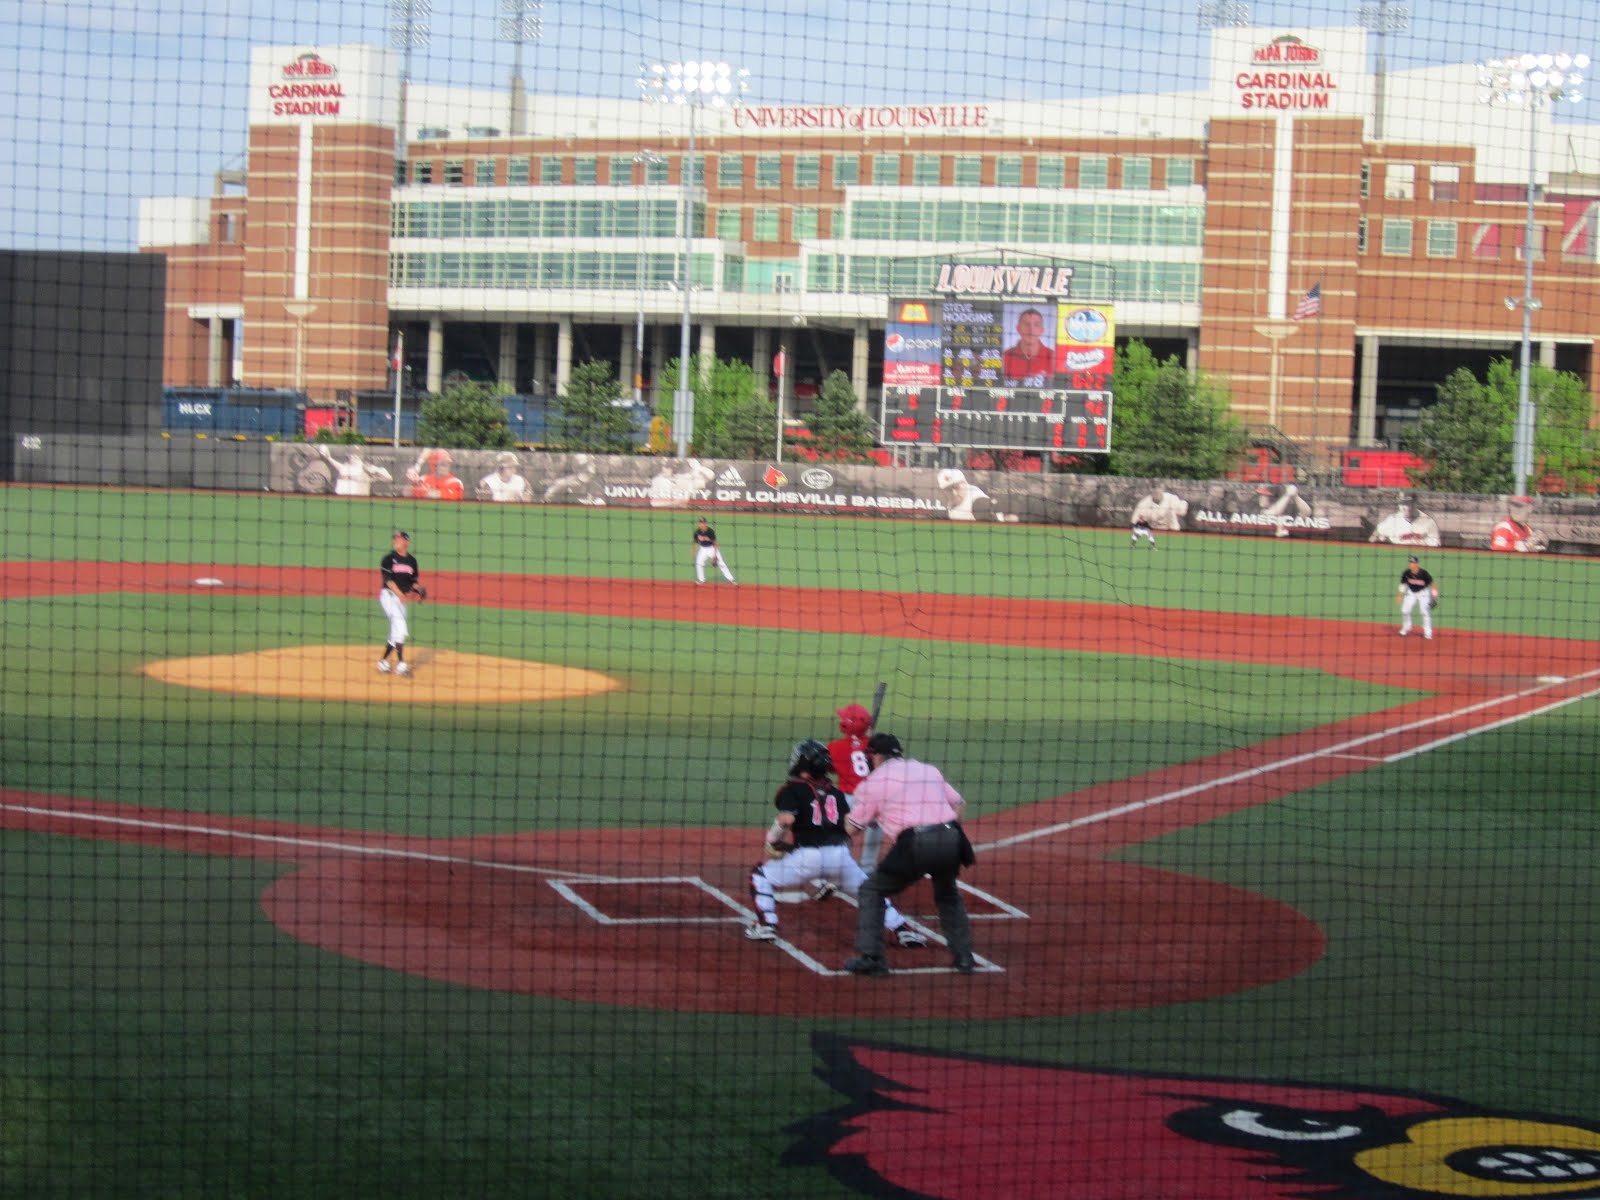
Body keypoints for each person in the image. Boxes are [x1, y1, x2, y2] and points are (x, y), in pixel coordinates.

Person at [744, 740, 926, 949]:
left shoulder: (792, 789)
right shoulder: (837, 793)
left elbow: (786, 820)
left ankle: (767, 924)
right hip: (840, 857)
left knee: (760, 876)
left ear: (803, 763)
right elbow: (846, 826)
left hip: (806, 860)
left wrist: (773, 840)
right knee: (869, 892)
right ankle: (902, 930)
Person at [844, 732, 976, 976]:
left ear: (874, 756)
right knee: (947, 894)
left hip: (915, 842)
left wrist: (840, 821)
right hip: (952, 837)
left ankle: (872, 958)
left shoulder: (872, 784)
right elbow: (959, 804)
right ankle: (965, 957)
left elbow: (852, 829)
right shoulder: (927, 770)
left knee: (871, 889)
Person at [829, 703, 880, 874]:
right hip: (873, 799)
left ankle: (840, 866)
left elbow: (829, 769)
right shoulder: (875, 746)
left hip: (848, 800)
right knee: (876, 826)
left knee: (842, 832)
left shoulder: (834, 747)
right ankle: (868, 865)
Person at [377, 530, 422, 675]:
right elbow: (388, 581)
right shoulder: (388, 559)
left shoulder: (412, 561)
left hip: (401, 599)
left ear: (406, 542)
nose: (396, 540)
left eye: (399, 538)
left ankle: (383, 662)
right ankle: (401, 665)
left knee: (396, 633)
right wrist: (400, 594)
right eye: (395, 538)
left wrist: (418, 589)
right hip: (389, 596)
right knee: (401, 626)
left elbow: (413, 582)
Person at [1001, 307, 1054, 384]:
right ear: (1018, 328)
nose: (1031, 329)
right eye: (1026, 324)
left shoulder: (1052, 357)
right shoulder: (1005, 357)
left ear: (1042, 330)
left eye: (1036, 325)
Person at [319, 445, 393, 497]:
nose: (355, 456)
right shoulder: (344, 467)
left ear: (362, 456)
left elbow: (389, 478)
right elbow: (339, 466)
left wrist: (377, 471)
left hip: (358, 501)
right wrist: (328, 458)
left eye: (358, 454)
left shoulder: (365, 468)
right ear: (348, 455)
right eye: (352, 454)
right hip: (340, 500)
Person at [1396, 554, 1439, 640]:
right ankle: (1406, 627)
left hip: (1424, 593)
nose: (1411, 564)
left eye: (1413, 563)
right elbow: (1403, 585)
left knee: (1424, 612)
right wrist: (1400, 596)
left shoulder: (1424, 574)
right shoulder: (1406, 573)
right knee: (1405, 610)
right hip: (1411, 592)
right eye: (1410, 562)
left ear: (1417, 564)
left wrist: (1434, 597)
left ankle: (1428, 633)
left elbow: (1433, 585)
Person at [1368, 498, 1441, 548]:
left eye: (1408, 504)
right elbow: (1378, 532)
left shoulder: (1429, 522)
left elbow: (1435, 544)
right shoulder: (1393, 519)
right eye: (1401, 504)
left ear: (1416, 504)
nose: (1404, 507)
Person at [542, 453, 606, 506]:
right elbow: (547, 498)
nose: (594, 466)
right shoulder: (563, 484)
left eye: (593, 463)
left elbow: (601, 502)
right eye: (591, 464)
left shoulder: (595, 485)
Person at [692, 517, 736, 584]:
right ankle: (701, 580)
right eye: (700, 523)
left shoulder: (710, 531)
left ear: (705, 523)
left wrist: (715, 555)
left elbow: (716, 544)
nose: (701, 524)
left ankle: (731, 579)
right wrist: (694, 550)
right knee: (699, 563)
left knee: (721, 563)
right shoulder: (697, 532)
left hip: (712, 548)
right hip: (703, 549)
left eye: (703, 523)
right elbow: (696, 542)